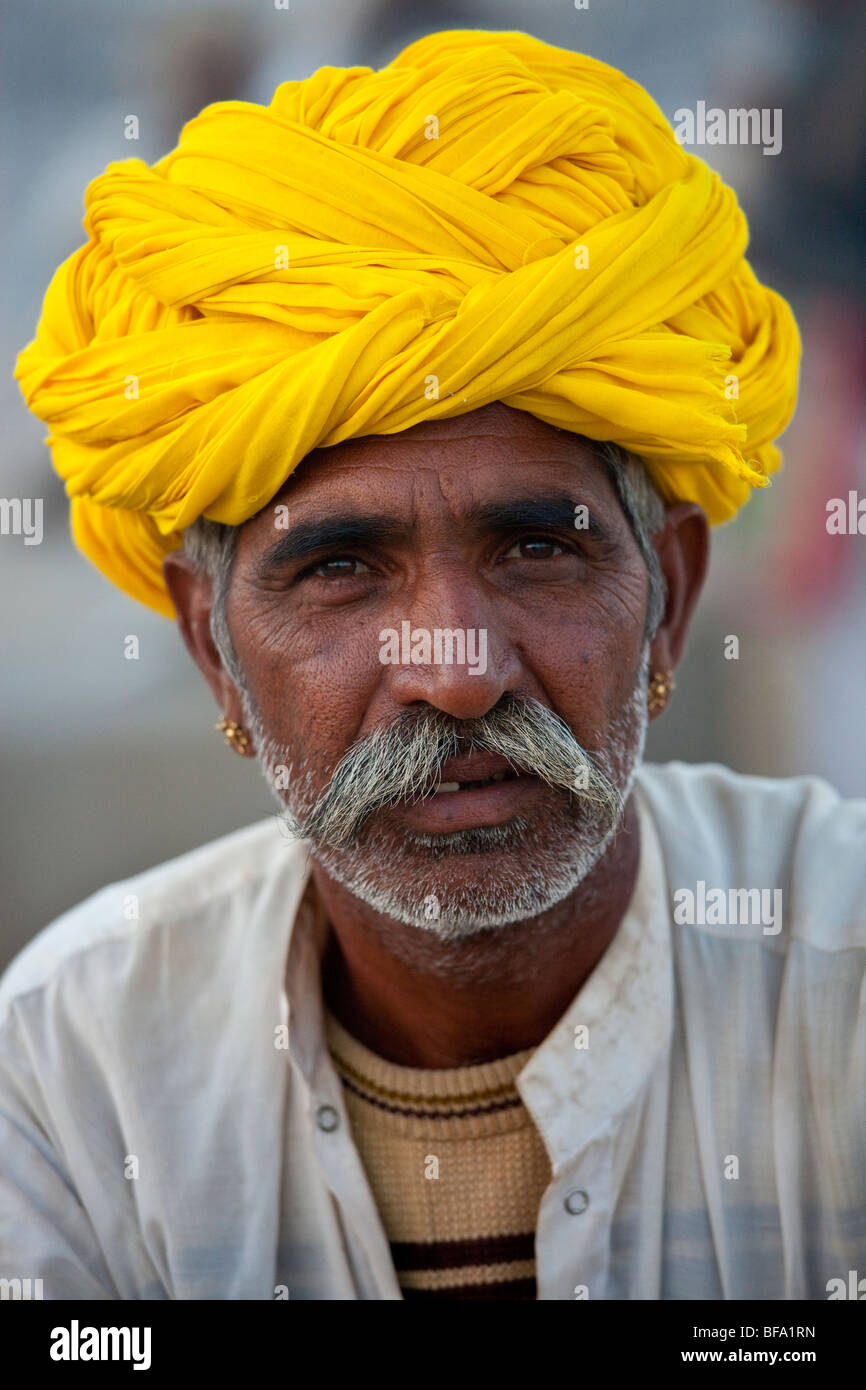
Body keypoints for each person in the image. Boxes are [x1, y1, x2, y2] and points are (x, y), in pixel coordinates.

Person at [3, 29, 863, 1302]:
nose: (457, 674)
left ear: (670, 594)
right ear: (210, 647)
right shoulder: (74, 1070)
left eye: (534, 549)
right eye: (341, 568)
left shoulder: (839, 988)